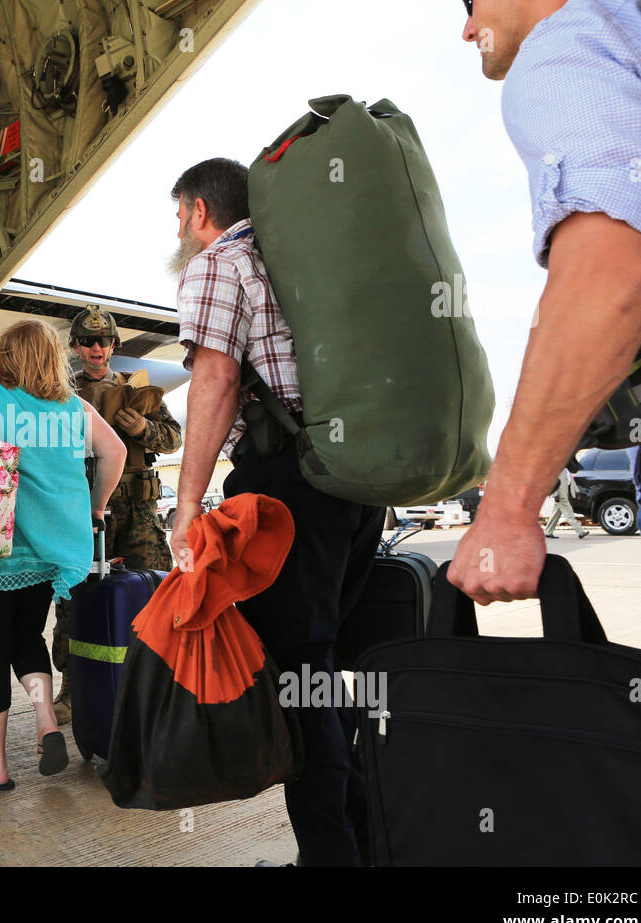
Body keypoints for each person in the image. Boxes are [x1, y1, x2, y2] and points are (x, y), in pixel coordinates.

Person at [448, 0, 641, 661]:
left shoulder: (573, 42)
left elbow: (607, 275)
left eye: (470, 5)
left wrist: (506, 507)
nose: (467, 29)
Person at [166, 158, 383, 866]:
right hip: (353, 475)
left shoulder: (219, 262)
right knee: (322, 665)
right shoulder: (298, 259)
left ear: (201, 211)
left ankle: (330, 858)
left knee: (296, 670)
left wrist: (188, 503)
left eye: (178, 216)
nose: (179, 229)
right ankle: (362, 838)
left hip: (289, 485)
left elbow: (217, 377)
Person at [0, 318, 125, 790]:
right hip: (46, 550)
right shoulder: (73, 408)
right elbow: (115, 452)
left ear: (5, 354)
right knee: (28, 638)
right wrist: (96, 506)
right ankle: (45, 721)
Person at [49, 306, 181, 723]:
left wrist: (143, 428)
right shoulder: (59, 395)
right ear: (75, 346)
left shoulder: (137, 390)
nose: (95, 348)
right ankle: (73, 688)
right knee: (74, 593)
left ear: (113, 345)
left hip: (137, 511)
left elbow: (174, 437)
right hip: (82, 509)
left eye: (103, 341)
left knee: (156, 590)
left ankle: (159, 681)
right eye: (87, 341)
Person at [543, 466, 588, 539]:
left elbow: (571, 481)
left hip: (565, 494)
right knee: (569, 513)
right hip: (560, 496)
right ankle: (581, 532)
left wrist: (577, 491)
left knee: (555, 514)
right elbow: (552, 482)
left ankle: (548, 532)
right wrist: (555, 494)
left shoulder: (566, 469)